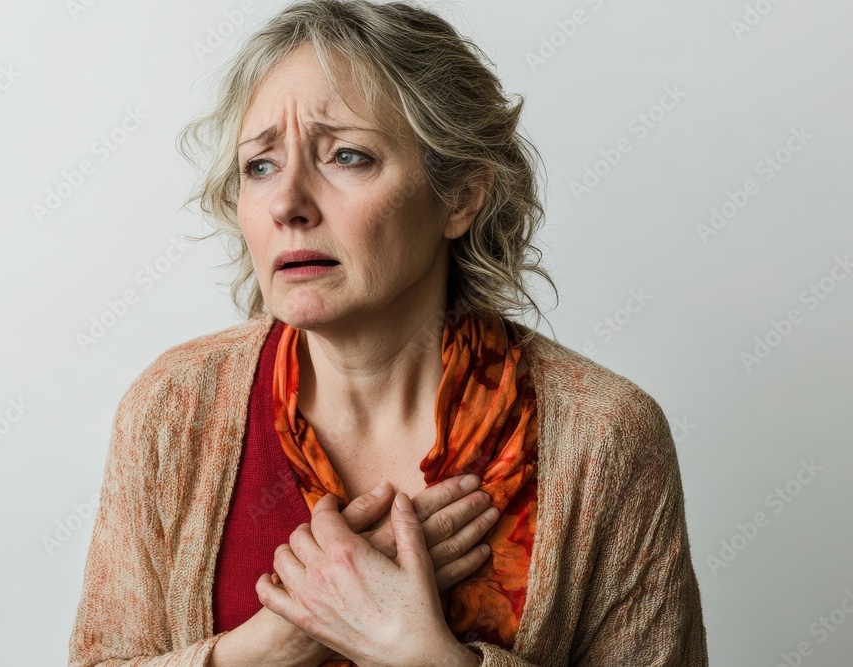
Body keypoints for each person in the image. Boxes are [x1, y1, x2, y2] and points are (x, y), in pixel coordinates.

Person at [67, 1, 709, 666]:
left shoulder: (605, 435)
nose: (288, 203)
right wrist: (276, 640)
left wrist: (424, 653)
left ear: (459, 196)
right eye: (260, 165)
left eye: (347, 156)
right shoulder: (173, 407)